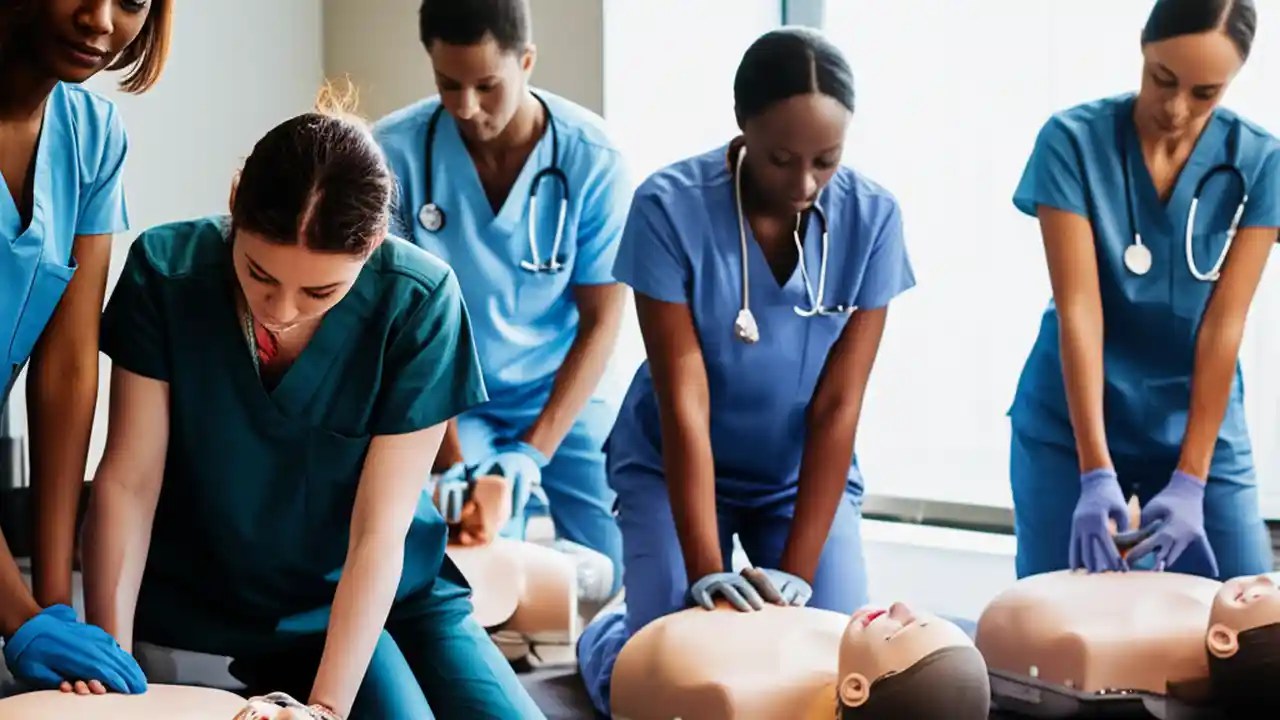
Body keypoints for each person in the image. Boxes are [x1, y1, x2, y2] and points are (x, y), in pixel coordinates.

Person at [79, 88, 544, 720]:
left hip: (390, 581)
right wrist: (109, 664)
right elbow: (128, 483)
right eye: (259, 274)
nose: (281, 309)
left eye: (320, 291)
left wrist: (322, 710)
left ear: (373, 245)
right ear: (235, 202)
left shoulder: (419, 301)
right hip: (229, 593)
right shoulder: (167, 273)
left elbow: (379, 533)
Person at [576, 27, 916, 715]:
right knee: (665, 677)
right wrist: (706, 570)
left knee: (835, 672)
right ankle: (609, 637)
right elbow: (684, 401)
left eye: (826, 160)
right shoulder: (668, 207)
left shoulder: (873, 218)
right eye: (781, 159)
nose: (805, 184)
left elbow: (839, 406)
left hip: (795, 475)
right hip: (670, 462)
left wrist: (798, 573)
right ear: (742, 125)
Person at [1008, 0, 1278, 580]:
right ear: (1144, 48)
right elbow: (1080, 309)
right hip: (1071, 416)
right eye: (1163, 78)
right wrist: (1094, 471)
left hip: (1196, 414)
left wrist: (1192, 479)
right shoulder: (1072, 141)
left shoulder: (1262, 162)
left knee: (1254, 608)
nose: (1176, 108)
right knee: (1050, 614)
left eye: (1205, 93)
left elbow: (1225, 323)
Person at [373, 0, 630, 603]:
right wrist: (449, 462)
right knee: (467, 557)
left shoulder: (593, 158)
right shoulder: (393, 154)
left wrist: (532, 454)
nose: (466, 107)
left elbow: (602, 321)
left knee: (616, 569)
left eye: (487, 86)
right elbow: (404, 326)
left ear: (527, 62)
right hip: (454, 394)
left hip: (561, 387)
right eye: (448, 85)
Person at [0, 0, 169, 696]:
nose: (101, 20)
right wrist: (19, 617)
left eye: (131, 0)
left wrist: (52, 599)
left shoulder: (92, 136)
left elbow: (67, 371)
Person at [609, 600, 988, 720]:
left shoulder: (730, 701)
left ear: (855, 689)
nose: (899, 605)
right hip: (715, 622)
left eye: (898, 629)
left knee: (609, 636)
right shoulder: (847, 641)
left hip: (642, 653)